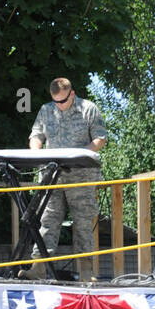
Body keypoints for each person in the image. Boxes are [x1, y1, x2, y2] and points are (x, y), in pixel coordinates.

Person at [27, 77, 109, 280]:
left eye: (63, 101)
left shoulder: (88, 109)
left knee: (82, 222)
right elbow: (36, 135)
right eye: (56, 101)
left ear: (72, 94)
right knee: (47, 220)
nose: (59, 105)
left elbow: (100, 138)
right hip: (52, 176)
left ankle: (86, 272)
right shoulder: (47, 110)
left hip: (80, 177)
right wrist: (36, 151)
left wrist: (80, 153)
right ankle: (38, 267)